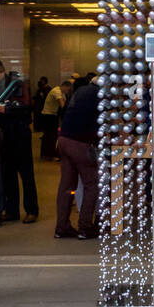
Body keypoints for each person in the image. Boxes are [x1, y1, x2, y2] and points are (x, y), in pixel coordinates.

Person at [0, 59, 39, 224]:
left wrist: (8, 109)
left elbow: (27, 106)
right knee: (8, 174)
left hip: (19, 133)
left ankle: (31, 210)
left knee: (26, 174)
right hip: (5, 134)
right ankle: (12, 210)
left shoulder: (16, 83)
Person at [55, 77, 99, 239]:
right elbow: (113, 121)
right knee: (91, 183)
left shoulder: (81, 91)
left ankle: (62, 227)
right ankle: (85, 227)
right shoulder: (102, 94)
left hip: (64, 140)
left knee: (66, 185)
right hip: (80, 144)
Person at [40, 78, 72, 161]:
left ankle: (47, 155)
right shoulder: (56, 91)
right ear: (64, 86)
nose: (67, 92)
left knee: (50, 136)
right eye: (68, 89)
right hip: (48, 116)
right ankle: (48, 155)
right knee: (50, 136)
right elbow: (62, 105)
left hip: (52, 115)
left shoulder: (61, 92)